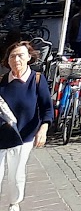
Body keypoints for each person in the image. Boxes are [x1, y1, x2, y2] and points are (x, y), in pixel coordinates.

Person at [0, 36, 51, 209]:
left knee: (16, 174)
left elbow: (47, 108)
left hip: (24, 135)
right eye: (13, 56)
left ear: (29, 57)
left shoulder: (37, 79)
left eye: (21, 55)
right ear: (7, 60)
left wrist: (43, 129)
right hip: (1, 135)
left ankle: (14, 204)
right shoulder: (1, 81)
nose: (16, 60)